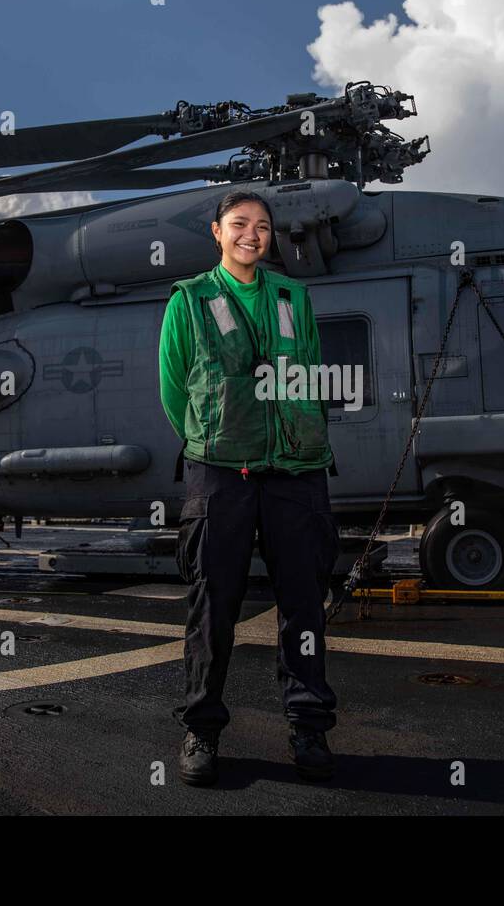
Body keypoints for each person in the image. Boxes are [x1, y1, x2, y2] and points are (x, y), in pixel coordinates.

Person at [158, 189, 340, 786]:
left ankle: (308, 727)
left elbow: (309, 372)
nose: (252, 235)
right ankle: (201, 730)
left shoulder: (294, 297)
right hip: (221, 472)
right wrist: (218, 434)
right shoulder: (189, 299)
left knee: (304, 605)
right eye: (239, 224)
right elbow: (173, 387)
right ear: (217, 232)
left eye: (262, 226)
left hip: (295, 471)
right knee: (214, 606)